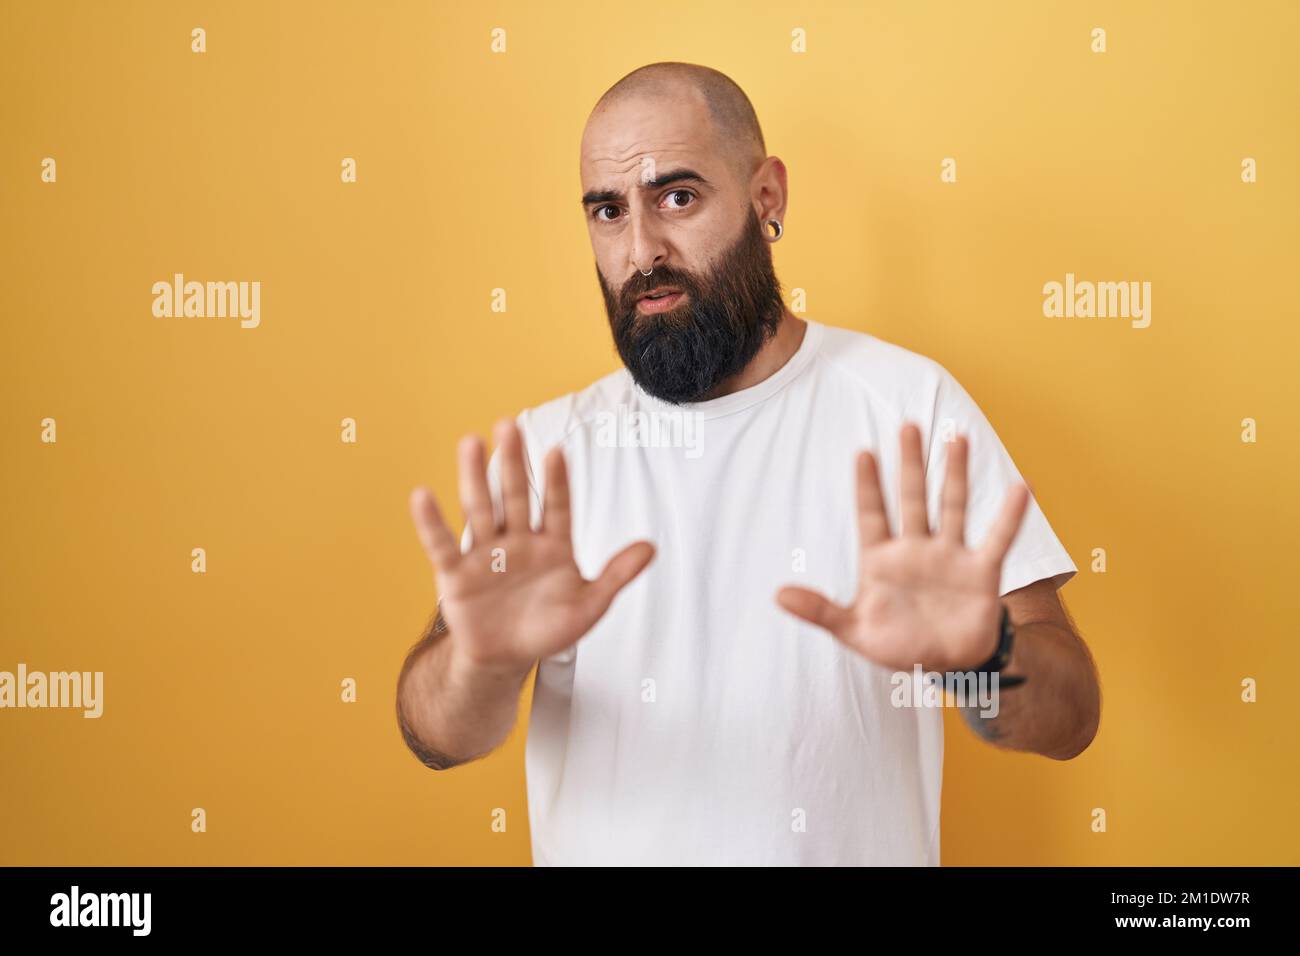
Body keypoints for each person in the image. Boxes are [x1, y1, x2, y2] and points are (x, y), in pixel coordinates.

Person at [396, 61, 1100, 866]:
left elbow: (1071, 718)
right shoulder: (549, 455)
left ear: (766, 198)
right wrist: (482, 663)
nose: (641, 250)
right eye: (607, 210)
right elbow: (435, 735)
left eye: (678, 197)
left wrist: (984, 657)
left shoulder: (909, 408)